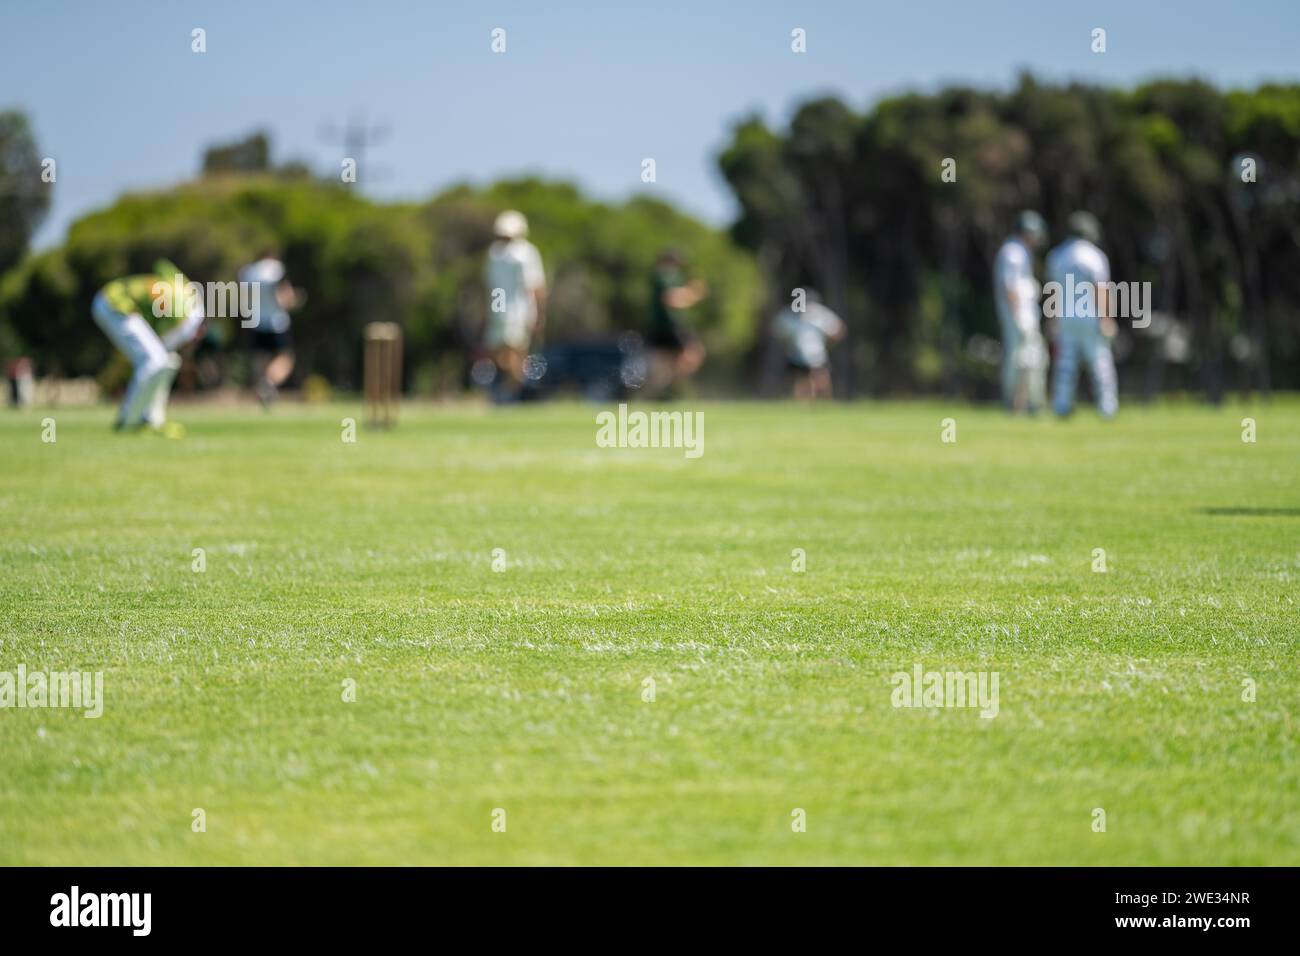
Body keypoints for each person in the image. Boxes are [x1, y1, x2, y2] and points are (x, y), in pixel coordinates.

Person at [91, 259, 205, 436]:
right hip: (115, 304)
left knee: (165, 361)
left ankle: (152, 420)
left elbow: (161, 265)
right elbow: (163, 344)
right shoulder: (186, 320)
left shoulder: (189, 295)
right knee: (155, 361)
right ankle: (128, 420)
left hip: (112, 302)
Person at [1046, 211, 1119, 418]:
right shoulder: (1094, 256)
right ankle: (1107, 408)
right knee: (1100, 363)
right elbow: (1101, 289)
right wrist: (1106, 318)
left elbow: (1052, 291)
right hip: (1090, 318)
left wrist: (1051, 320)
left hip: (1065, 318)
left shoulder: (1057, 255)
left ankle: (1061, 406)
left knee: (1065, 366)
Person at [482, 210, 546, 400]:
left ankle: (514, 393)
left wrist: (537, 313)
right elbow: (493, 287)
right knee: (506, 355)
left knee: (512, 355)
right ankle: (516, 390)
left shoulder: (523, 253)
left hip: (515, 311)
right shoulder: (497, 253)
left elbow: (533, 286)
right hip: (506, 311)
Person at [993, 210, 1048, 412]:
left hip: (1024, 315)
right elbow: (1011, 287)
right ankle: (1015, 403)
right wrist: (1019, 316)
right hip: (1019, 316)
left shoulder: (1020, 251)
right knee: (1019, 359)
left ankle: (1031, 404)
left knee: (1034, 359)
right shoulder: (1013, 253)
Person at [238, 250, 303, 407]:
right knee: (286, 358)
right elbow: (285, 297)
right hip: (276, 322)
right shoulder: (277, 269)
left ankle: (263, 387)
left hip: (256, 322)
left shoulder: (249, 271)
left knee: (260, 360)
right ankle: (269, 383)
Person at [645, 249, 707, 396]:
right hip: (668, 327)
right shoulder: (662, 276)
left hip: (671, 326)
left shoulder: (674, 277)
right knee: (693, 354)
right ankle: (668, 386)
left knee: (665, 364)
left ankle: (662, 388)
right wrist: (693, 293)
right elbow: (671, 300)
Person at [772, 290, 845, 400]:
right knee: (802, 381)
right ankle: (803, 406)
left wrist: (828, 343)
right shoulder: (789, 315)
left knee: (821, 380)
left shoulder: (820, 314)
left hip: (817, 355)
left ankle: (824, 403)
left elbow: (838, 330)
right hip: (797, 355)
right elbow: (778, 331)